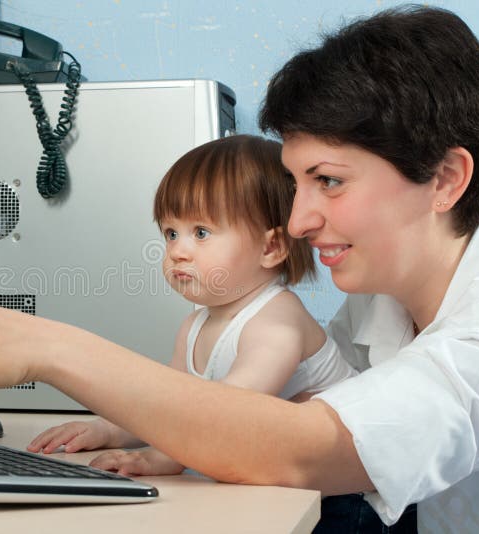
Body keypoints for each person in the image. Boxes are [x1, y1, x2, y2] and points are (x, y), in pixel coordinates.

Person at [0, 6, 479, 532]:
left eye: (329, 181)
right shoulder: (382, 300)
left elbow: (299, 446)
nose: (297, 224)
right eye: (297, 185)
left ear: (445, 179)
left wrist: (47, 346)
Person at [26, 135, 357, 475]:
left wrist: (163, 456)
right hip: (293, 479)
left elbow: (234, 412)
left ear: (270, 248)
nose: (177, 251)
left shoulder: (277, 321)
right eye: (171, 233)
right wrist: (110, 429)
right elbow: (171, 405)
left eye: (200, 232)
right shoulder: (195, 326)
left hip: (348, 499)